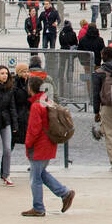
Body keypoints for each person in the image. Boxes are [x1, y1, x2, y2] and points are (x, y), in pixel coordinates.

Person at [21, 75, 76, 216]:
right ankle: (64, 193)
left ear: (30, 89)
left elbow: (34, 129)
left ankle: (39, 207)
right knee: (41, 174)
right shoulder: (47, 101)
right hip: (49, 143)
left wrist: (28, 144)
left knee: (35, 178)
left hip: (39, 146)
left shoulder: (36, 105)